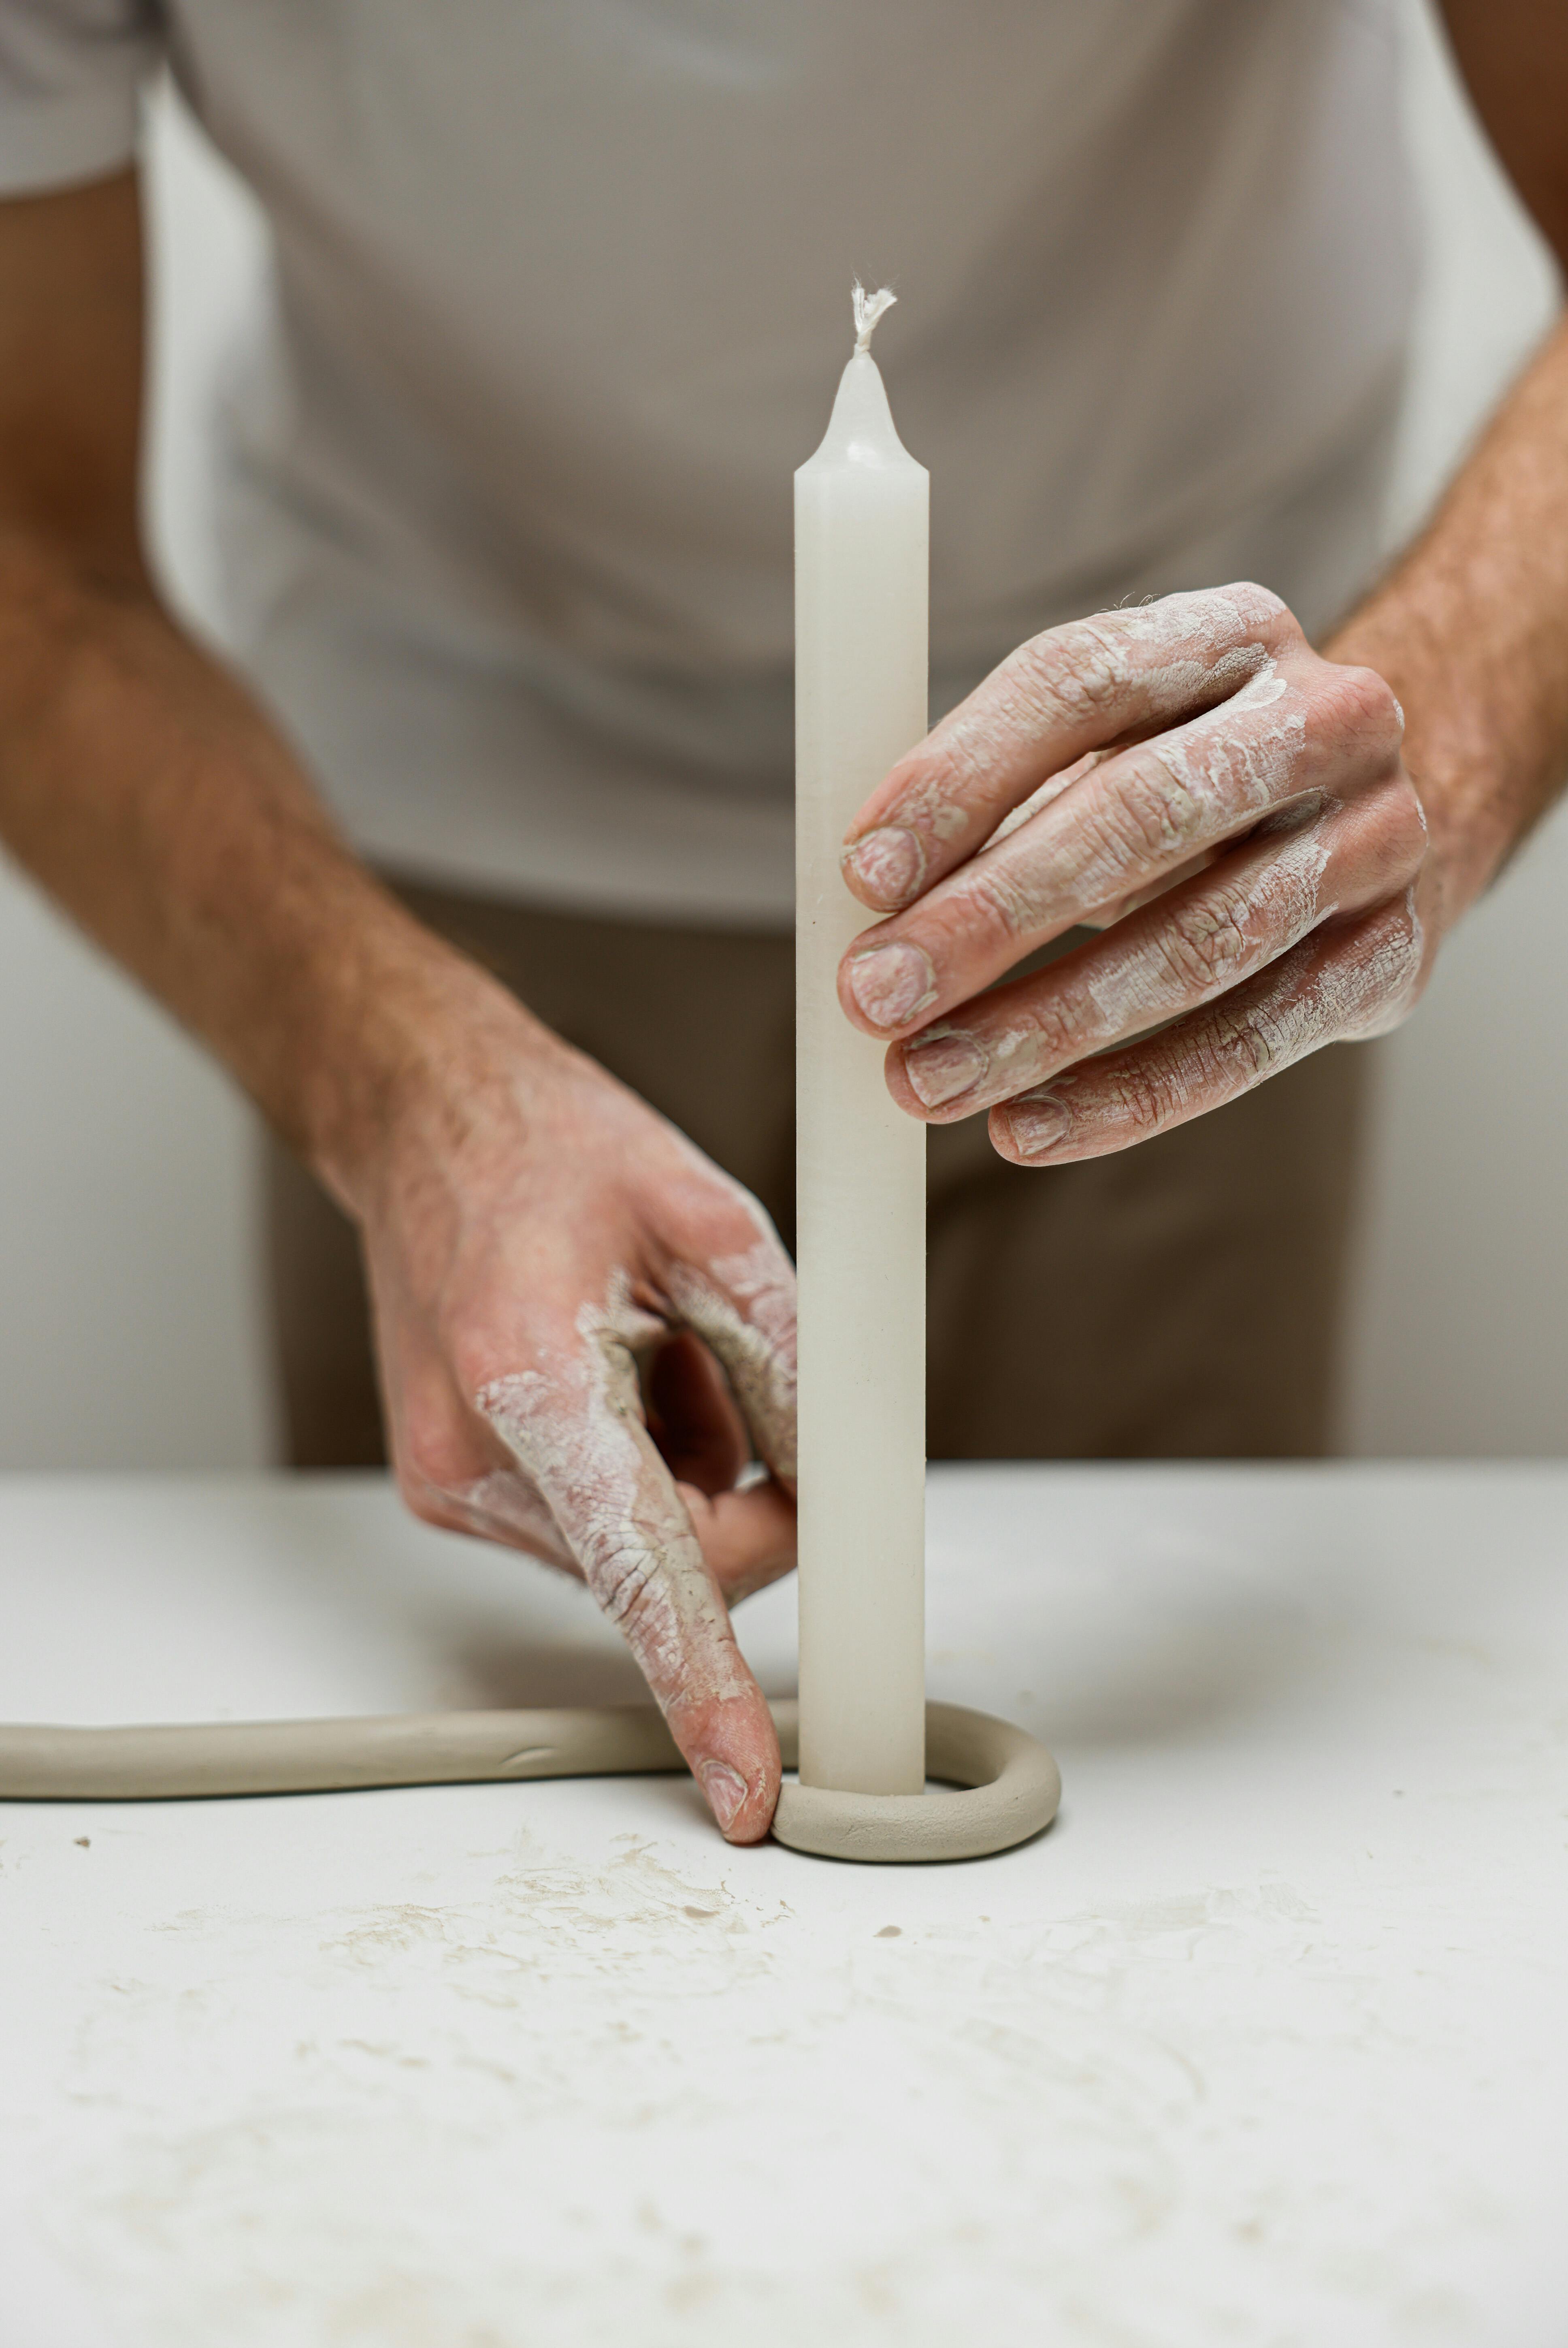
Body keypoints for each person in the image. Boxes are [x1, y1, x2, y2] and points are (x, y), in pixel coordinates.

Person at [1, 3, 1565, 1841]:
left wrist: (1426, 738)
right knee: (488, 1850)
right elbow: (27, 541)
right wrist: (391, 1083)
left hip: (1177, 837)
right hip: (418, 838)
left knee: (1177, 1855)